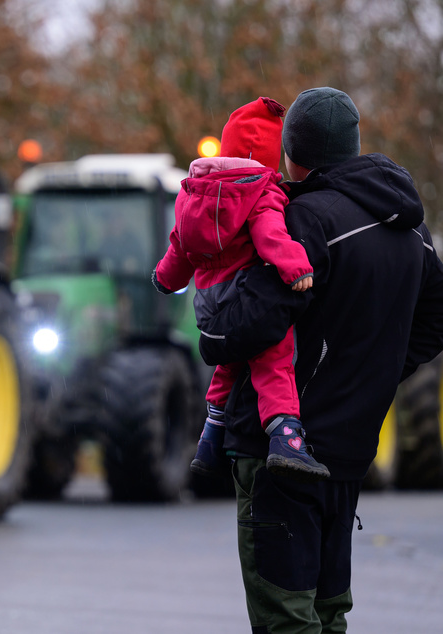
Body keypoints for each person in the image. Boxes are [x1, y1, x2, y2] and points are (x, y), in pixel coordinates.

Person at [197, 87, 443, 632]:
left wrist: (210, 337)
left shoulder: (305, 220)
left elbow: (250, 322)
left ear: (292, 152)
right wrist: (371, 377)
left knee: (287, 618)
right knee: (330, 613)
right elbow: (434, 323)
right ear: (353, 146)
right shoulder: (413, 230)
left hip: (282, 452)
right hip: (350, 453)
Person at [153, 97, 328, 483]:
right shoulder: (260, 191)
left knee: (228, 365)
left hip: (209, 303)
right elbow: (270, 236)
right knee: (273, 362)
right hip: (245, 296)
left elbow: (178, 247)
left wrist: (165, 279)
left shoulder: (192, 192)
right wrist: (297, 269)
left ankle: (210, 439)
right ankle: (286, 440)